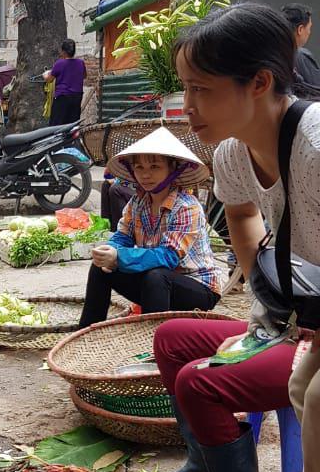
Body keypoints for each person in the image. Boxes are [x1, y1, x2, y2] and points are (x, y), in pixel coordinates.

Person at [152, 5, 320, 472]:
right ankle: (206, 461)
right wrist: (265, 307)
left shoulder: (315, 147)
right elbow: (244, 215)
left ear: (259, 82)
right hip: (294, 317)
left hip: (313, 328)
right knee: (174, 340)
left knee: (300, 392)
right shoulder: (230, 153)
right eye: (184, 87)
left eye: (200, 89)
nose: (186, 106)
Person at [78, 128, 221, 328]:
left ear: (172, 168)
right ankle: (86, 331)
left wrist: (119, 257)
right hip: (155, 283)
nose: (146, 174)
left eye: (155, 166)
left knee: (156, 276)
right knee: (101, 268)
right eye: (139, 167)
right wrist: (109, 250)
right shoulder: (137, 203)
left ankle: (153, 338)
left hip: (198, 287)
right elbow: (123, 236)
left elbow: (168, 257)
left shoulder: (186, 206)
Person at [44, 39, 87, 125]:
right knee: (72, 124)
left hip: (62, 98)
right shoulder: (80, 63)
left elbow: (49, 79)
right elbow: (84, 76)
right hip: (77, 97)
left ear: (63, 51)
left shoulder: (59, 63)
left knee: (57, 125)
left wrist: (45, 74)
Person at [281, 3, 320, 88]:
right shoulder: (300, 55)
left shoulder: (272, 52)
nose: (309, 32)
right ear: (300, 29)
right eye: (309, 28)